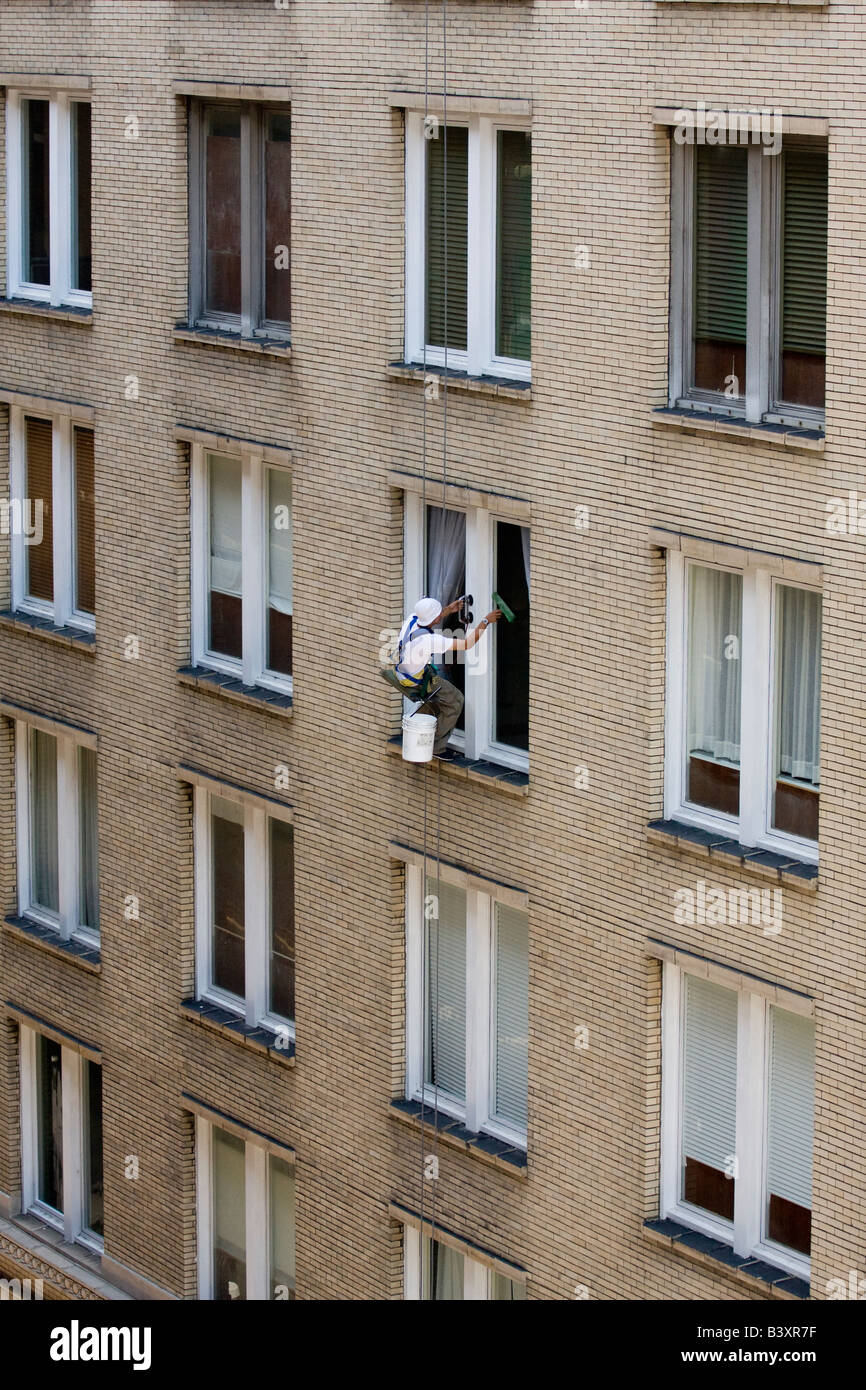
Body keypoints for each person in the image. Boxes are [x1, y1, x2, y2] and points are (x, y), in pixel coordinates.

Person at [383, 595, 501, 759]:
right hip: (417, 681)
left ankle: (424, 721)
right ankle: (437, 747)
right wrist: (485, 621)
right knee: (456, 700)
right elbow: (467, 644)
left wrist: (449, 610)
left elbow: (429, 617)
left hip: (403, 672)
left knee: (443, 693)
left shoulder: (412, 619)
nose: (440, 615)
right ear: (435, 617)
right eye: (439, 614)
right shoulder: (428, 640)